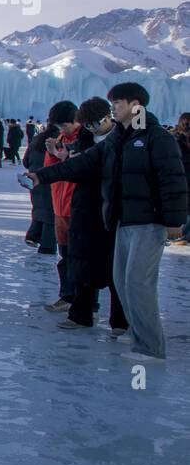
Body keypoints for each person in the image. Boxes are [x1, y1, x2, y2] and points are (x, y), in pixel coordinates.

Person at [29, 83, 188, 362]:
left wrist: (174, 220)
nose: (112, 107)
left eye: (117, 102)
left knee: (138, 283)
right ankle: (136, 336)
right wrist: (43, 175)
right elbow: (83, 163)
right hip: (121, 221)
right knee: (123, 282)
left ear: (135, 104)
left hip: (148, 222)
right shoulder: (118, 139)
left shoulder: (155, 137)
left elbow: (172, 178)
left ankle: (149, 348)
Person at [54, 98, 128, 333]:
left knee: (116, 267)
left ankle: (120, 321)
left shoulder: (124, 138)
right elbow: (77, 171)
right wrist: (67, 160)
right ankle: (81, 314)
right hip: (86, 208)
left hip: (115, 210)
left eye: (96, 123)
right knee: (82, 263)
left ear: (108, 116)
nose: (93, 128)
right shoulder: (84, 141)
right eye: (87, 125)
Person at [41, 101, 81, 312]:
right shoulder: (61, 139)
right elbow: (50, 170)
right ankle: (66, 296)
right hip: (60, 205)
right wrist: (51, 153)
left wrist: (63, 156)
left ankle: (84, 302)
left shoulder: (84, 140)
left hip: (78, 205)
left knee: (80, 256)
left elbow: (83, 167)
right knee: (64, 255)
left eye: (65, 125)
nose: (62, 130)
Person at [23, 114, 60, 254]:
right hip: (52, 181)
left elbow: (26, 161)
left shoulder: (36, 139)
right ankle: (47, 245)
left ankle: (33, 235)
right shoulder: (59, 140)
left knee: (39, 207)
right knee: (51, 212)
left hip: (34, 179)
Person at [172, 113, 190, 245]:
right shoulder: (176, 140)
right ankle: (182, 236)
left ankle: (183, 236)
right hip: (182, 181)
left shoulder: (175, 139)